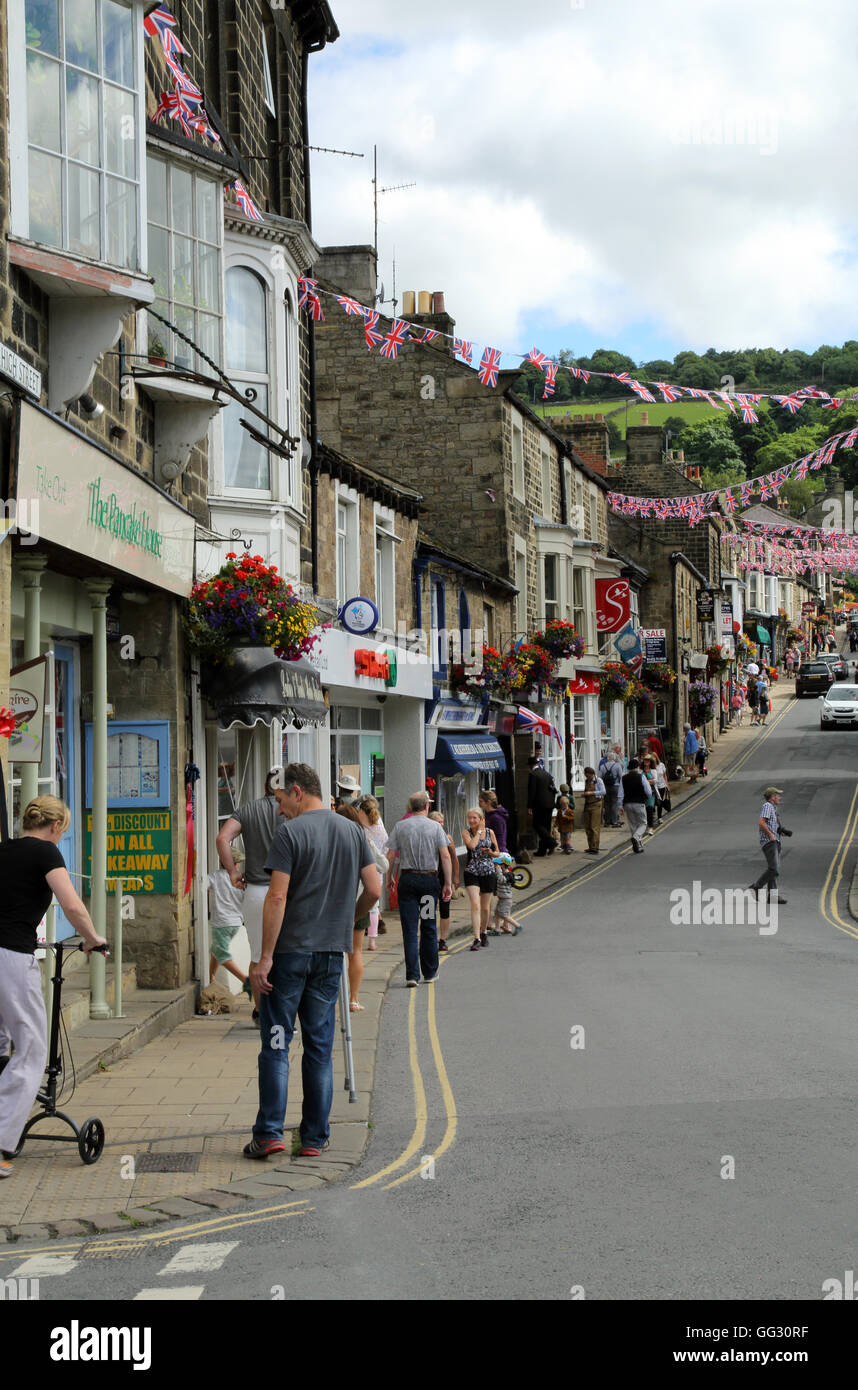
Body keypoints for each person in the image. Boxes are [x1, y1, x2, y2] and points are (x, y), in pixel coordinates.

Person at [245, 764, 378, 1160]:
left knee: (276, 1043)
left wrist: (263, 958)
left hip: (288, 956)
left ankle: (270, 1133)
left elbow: (276, 898)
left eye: (281, 799)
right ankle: (315, 1139)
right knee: (319, 1047)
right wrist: (347, 920)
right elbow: (373, 889)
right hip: (329, 956)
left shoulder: (290, 833)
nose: (280, 809)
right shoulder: (353, 831)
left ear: (298, 792)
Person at [0, 796, 107, 1177]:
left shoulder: (5, 849)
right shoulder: (46, 854)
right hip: (11, 958)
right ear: (57, 826)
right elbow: (72, 905)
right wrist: (93, 937)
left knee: (1, 1047)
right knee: (30, 1048)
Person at [216, 769, 282, 1016]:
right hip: (285, 893)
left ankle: (260, 1010)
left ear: (266, 784)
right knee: (283, 956)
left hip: (255, 893)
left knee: (258, 955)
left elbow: (222, 838)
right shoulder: (292, 812)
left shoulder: (248, 809)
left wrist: (233, 872)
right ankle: (281, 1011)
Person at [386, 792, 452, 985]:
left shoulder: (400, 826)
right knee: (428, 926)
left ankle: (412, 975)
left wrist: (389, 877)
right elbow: (445, 856)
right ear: (427, 806)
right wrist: (447, 883)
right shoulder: (435, 827)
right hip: (428, 881)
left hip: (407, 881)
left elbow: (390, 855)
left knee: (409, 928)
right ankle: (430, 973)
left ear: (410, 807)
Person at [335, 804, 381, 1009]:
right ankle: (353, 999)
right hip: (358, 902)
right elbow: (384, 866)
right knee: (355, 952)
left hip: (334, 903)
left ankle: (332, 999)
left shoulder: (331, 840)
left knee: (332, 952)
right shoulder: (363, 840)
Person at [207, 860, 252, 1000]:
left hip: (222, 922)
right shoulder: (241, 879)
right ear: (237, 864)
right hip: (236, 923)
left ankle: (246, 981)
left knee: (221, 953)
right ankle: (210, 979)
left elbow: (202, 885)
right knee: (216, 949)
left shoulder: (214, 876)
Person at [461, 807, 500, 950]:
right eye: (469, 818)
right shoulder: (466, 832)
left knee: (485, 908)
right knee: (475, 905)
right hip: (472, 872)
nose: (471, 821)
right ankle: (476, 938)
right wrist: (478, 831)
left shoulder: (490, 833)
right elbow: (472, 846)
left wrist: (491, 852)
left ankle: (484, 932)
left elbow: (498, 852)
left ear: (481, 819)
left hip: (488, 872)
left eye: (474, 818)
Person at [747, 786, 791, 905]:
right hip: (769, 842)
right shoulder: (767, 806)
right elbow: (761, 822)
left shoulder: (772, 808)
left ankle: (773, 897)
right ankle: (755, 887)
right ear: (772, 797)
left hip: (774, 841)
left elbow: (771, 824)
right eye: (778, 795)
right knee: (774, 869)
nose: (779, 797)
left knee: (774, 868)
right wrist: (771, 835)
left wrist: (780, 832)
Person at [429, 811, 460, 951]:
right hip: (430, 877)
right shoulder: (427, 837)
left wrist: (455, 877)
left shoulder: (448, 837)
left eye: (442, 822)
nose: (441, 824)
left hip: (444, 877)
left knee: (444, 908)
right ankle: (429, 938)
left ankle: (442, 939)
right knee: (429, 909)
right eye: (437, 822)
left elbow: (454, 858)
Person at [527, 756, 558, 856]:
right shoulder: (546, 773)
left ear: (531, 765)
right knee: (545, 827)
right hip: (550, 804)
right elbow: (553, 789)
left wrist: (529, 806)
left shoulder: (533, 774)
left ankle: (552, 842)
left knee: (537, 824)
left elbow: (532, 791)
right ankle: (542, 850)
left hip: (539, 804)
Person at [621, 759, 651, 854]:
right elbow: (648, 791)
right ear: (637, 767)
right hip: (639, 803)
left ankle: (638, 846)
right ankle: (636, 838)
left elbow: (620, 793)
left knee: (633, 825)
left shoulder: (623, 778)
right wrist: (647, 797)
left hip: (627, 804)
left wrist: (619, 806)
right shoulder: (641, 777)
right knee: (643, 823)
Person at [580, 767, 605, 853]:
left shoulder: (598, 781)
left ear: (592, 774)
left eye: (588, 776)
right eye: (586, 776)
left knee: (594, 827)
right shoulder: (587, 781)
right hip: (588, 804)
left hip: (596, 804)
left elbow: (603, 791)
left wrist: (592, 793)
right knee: (588, 827)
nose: (587, 778)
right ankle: (590, 846)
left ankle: (595, 847)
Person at [599, 748, 623, 827]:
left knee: (606, 804)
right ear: (614, 758)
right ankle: (614, 821)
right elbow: (621, 776)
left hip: (606, 787)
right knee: (614, 804)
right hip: (615, 786)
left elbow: (600, 777)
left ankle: (607, 821)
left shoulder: (602, 766)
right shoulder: (617, 765)